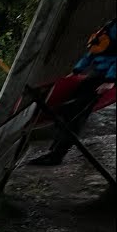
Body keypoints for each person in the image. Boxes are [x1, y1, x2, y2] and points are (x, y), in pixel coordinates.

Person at [29, 18, 117, 166]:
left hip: (104, 78)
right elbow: (93, 50)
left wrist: (110, 80)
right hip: (95, 75)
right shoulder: (110, 25)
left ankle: (56, 155)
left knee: (77, 114)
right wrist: (76, 71)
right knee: (68, 112)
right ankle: (54, 151)